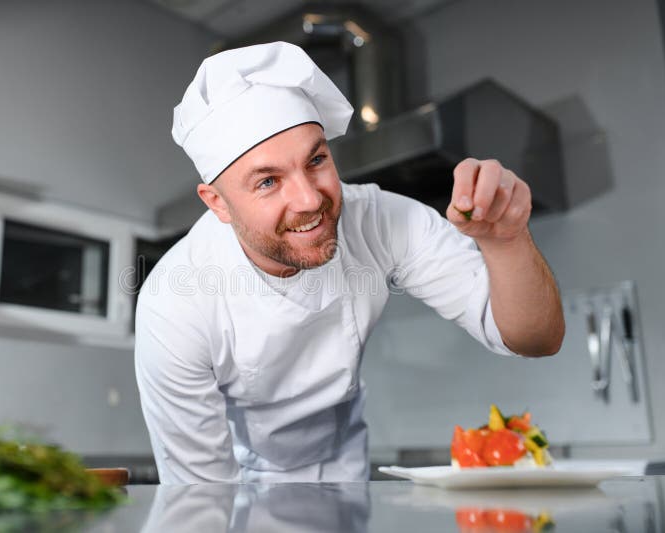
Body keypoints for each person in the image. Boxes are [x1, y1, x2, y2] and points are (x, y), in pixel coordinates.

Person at [134, 41, 564, 484]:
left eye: (316, 160)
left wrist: (507, 241)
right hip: (239, 488)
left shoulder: (379, 221)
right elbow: (200, 495)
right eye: (267, 182)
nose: (309, 199)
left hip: (345, 476)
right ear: (218, 203)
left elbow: (534, 339)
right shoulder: (175, 304)